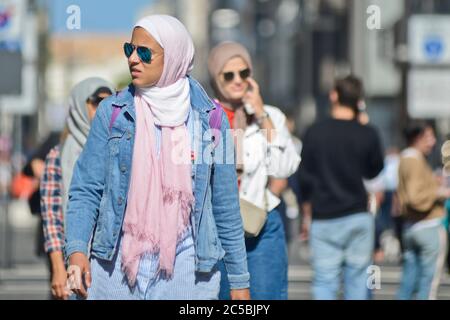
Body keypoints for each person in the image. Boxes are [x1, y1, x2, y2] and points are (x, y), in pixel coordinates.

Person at [65, 15, 250, 300]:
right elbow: (86, 188)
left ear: (173, 56)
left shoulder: (212, 119)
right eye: (130, 49)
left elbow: (225, 204)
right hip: (114, 270)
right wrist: (77, 252)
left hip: (188, 272)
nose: (133, 59)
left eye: (145, 52)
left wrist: (239, 282)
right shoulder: (111, 112)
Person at [207, 41, 300, 300]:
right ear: (216, 77)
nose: (238, 80)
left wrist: (260, 114)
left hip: (261, 225)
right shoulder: (204, 117)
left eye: (244, 73)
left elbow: (285, 166)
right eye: (229, 75)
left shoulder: (271, 115)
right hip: (218, 230)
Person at [298, 75, 384, 300]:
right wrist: (363, 124)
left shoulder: (314, 132)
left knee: (325, 281)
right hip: (357, 215)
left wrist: (305, 211)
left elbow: (304, 177)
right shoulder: (368, 133)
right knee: (357, 281)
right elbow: (374, 170)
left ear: (334, 95)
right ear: (359, 100)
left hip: (324, 216)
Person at [40, 78, 114, 299]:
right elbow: (52, 218)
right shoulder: (59, 155)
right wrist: (58, 269)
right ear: (80, 106)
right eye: (96, 102)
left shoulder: (119, 146)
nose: (103, 108)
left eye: (109, 102)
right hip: (73, 265)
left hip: (110, 264)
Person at [396, 121, 450, 300]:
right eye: (429, 137)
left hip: (411, 227)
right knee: (428, 285)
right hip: (428, 225)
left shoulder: (406, 159)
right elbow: (415, 197)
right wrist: (440, 192)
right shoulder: (413, 160)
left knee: (409, 282)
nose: (433, 142)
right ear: (417, 138)